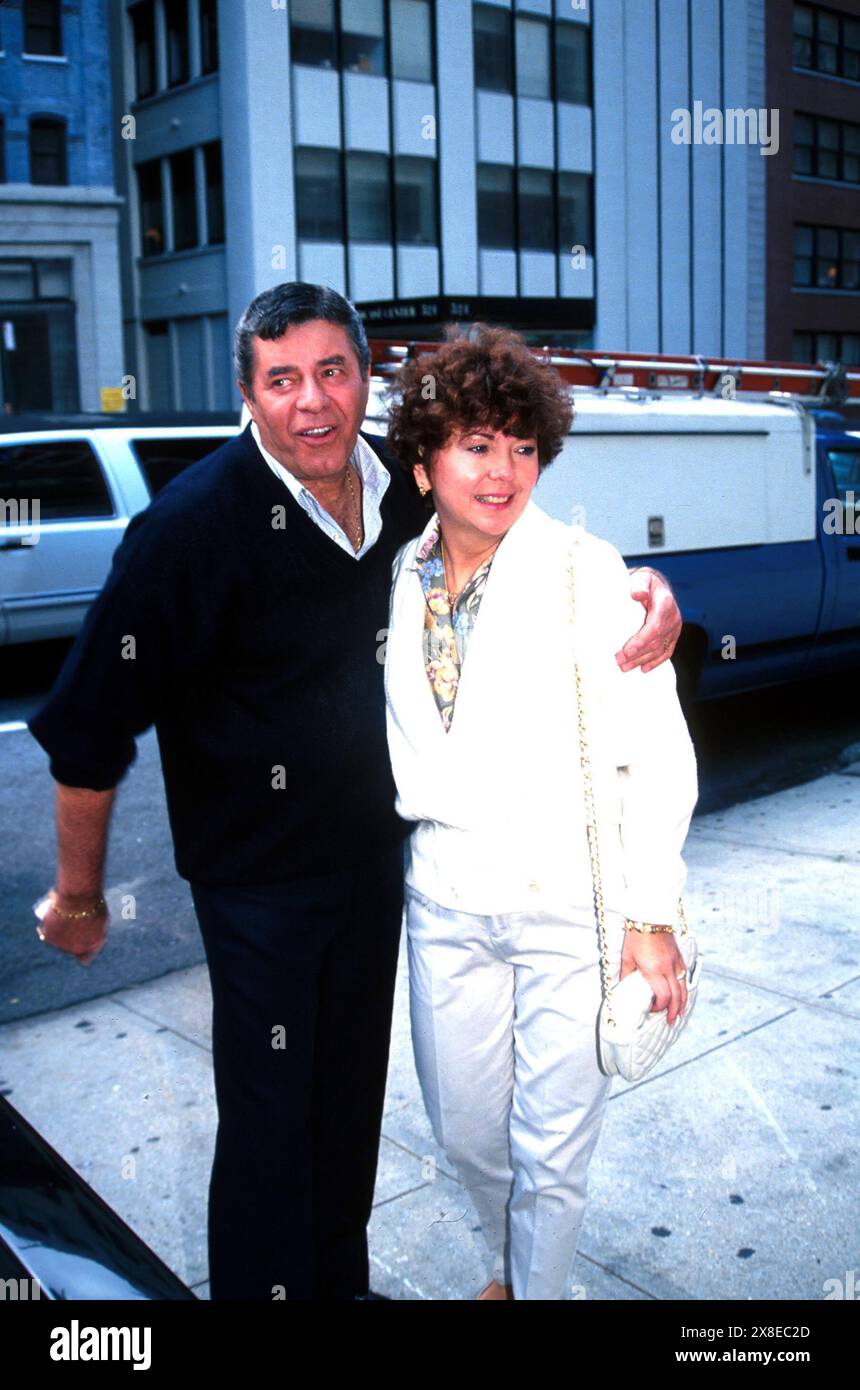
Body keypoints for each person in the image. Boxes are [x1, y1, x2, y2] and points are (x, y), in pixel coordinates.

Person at [27, 283, 683, 1302]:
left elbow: (507, 524)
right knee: (269, 1125)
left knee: (344, 1113)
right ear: (247, 394)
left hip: (381, 870)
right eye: (280, 379)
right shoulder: (190, 529)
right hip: (260, 888)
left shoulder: (400, 490)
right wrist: (77, 895)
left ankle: (332, 1288)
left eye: (331, 370)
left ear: (363, 377)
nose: (311, 401)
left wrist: (642, 590)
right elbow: (85, 727)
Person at [382, 323, 699, 1301]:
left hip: (565, 904)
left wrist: (649, 919)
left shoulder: (582, 570)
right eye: (476, 443)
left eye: (522, 446)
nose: (502, 470)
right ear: (426, 461)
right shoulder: (398, 575)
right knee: (468, 1134)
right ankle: (511, 1266)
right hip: (443, 896)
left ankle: (538, 1288)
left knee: (549, 1153)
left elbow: (658, 751)